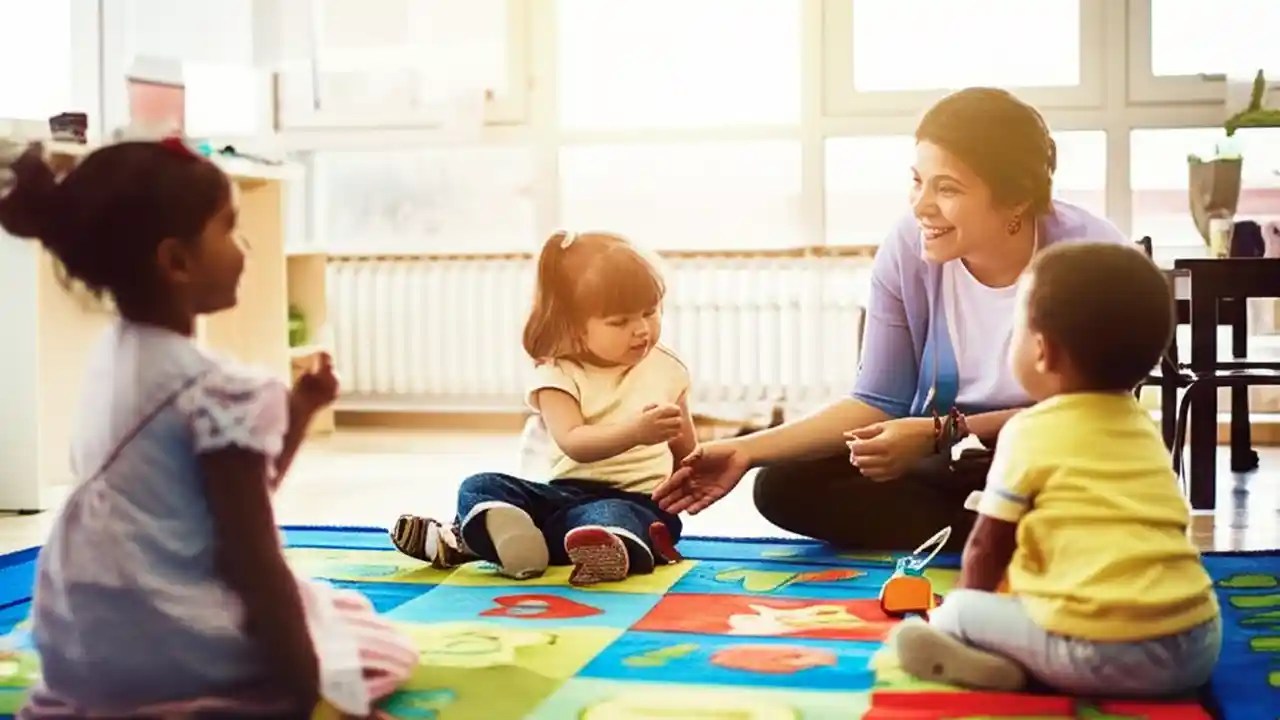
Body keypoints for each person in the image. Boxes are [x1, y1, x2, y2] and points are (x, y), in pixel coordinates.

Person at [0, 139, 415, 717]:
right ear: (176, 261)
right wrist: (306, 691)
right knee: (366, 638)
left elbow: (219, 492)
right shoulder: (213, 389)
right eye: (230, 229)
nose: (245, 248)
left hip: (83, 641)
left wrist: (299, 411)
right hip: (167, 637)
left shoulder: (115, 357)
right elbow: (254, 557)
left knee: (334, 613)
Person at [652, 87, 1128, 551]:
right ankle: (1002, 532)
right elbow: (878, 400)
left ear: (1016, 198)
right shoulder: (908, 248)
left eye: (947, 188)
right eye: (918, 181)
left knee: (1078, 477)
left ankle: (1003, 527)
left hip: (1052, 454)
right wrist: (748, 450)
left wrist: (942, 431)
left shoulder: (1090, 255)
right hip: (952, 460)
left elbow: (1095, 411)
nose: (921, 205)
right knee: (783, 484)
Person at [891, 242, 1221, 696]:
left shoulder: (1030, 431)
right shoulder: (1142, 427)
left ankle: (985, 657)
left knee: (957, 611)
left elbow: (987, 548)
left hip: (1103, 655)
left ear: (1042, 351)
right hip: (1197, 643)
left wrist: (969, 610)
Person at [390, 231, 691, 585]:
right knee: (481, 485)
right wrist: (637, 432)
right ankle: (504, 533)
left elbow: (688, 451)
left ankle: (472, 540)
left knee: (610, 516)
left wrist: (694, 477)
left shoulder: (669, 368)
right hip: (564, 493)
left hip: (642, 501)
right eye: (619, 322)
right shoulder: (557, 375)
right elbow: (574, 441)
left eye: (649, 312)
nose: (641, 329)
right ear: (575, 326)